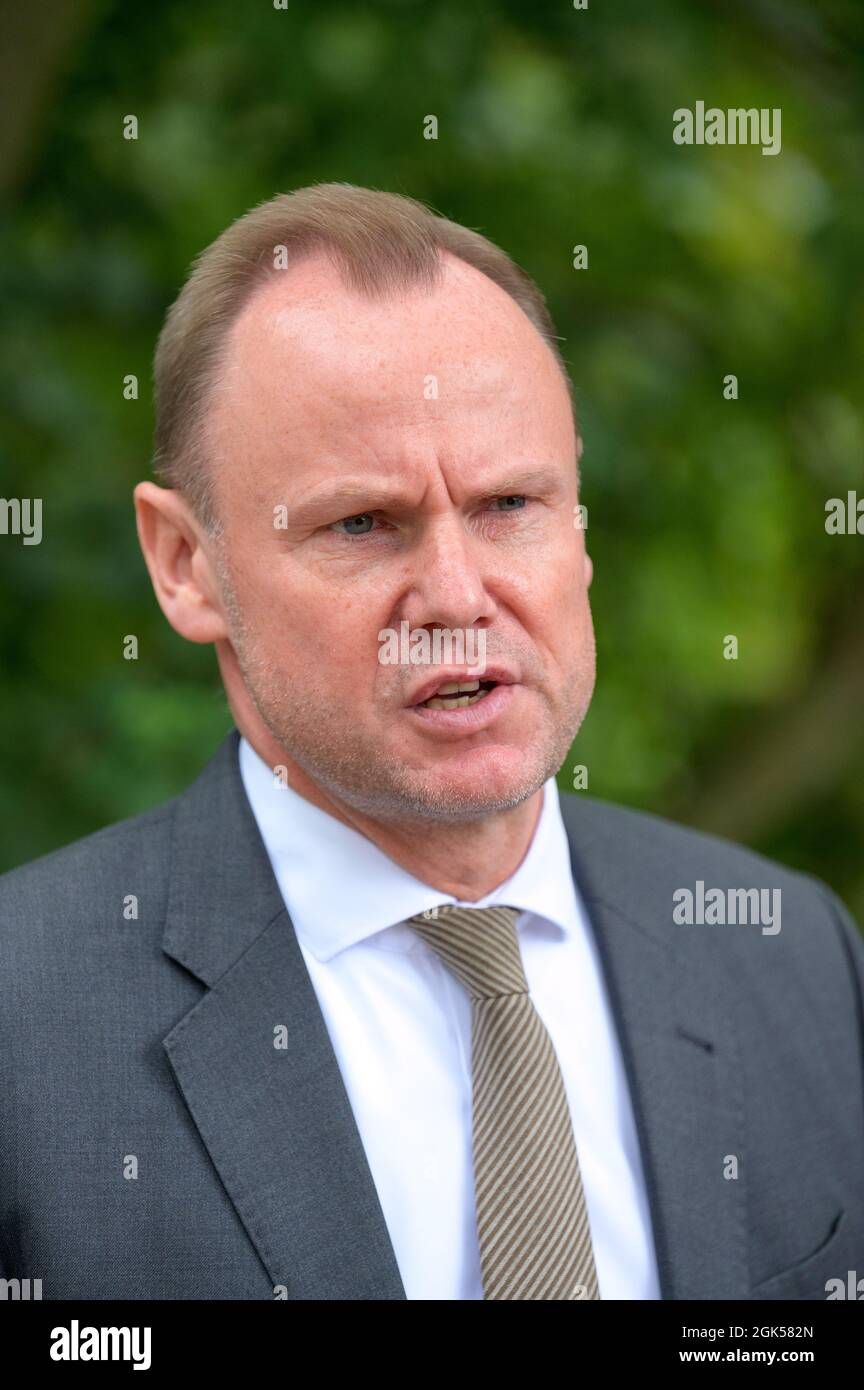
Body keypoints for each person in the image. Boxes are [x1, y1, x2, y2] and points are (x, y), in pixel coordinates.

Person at [1, 183, 862, 1301]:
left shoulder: (797, 958)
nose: (458, 595)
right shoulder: (28, 1026)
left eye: (510, 504)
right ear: (184, 563)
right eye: (363, 523)